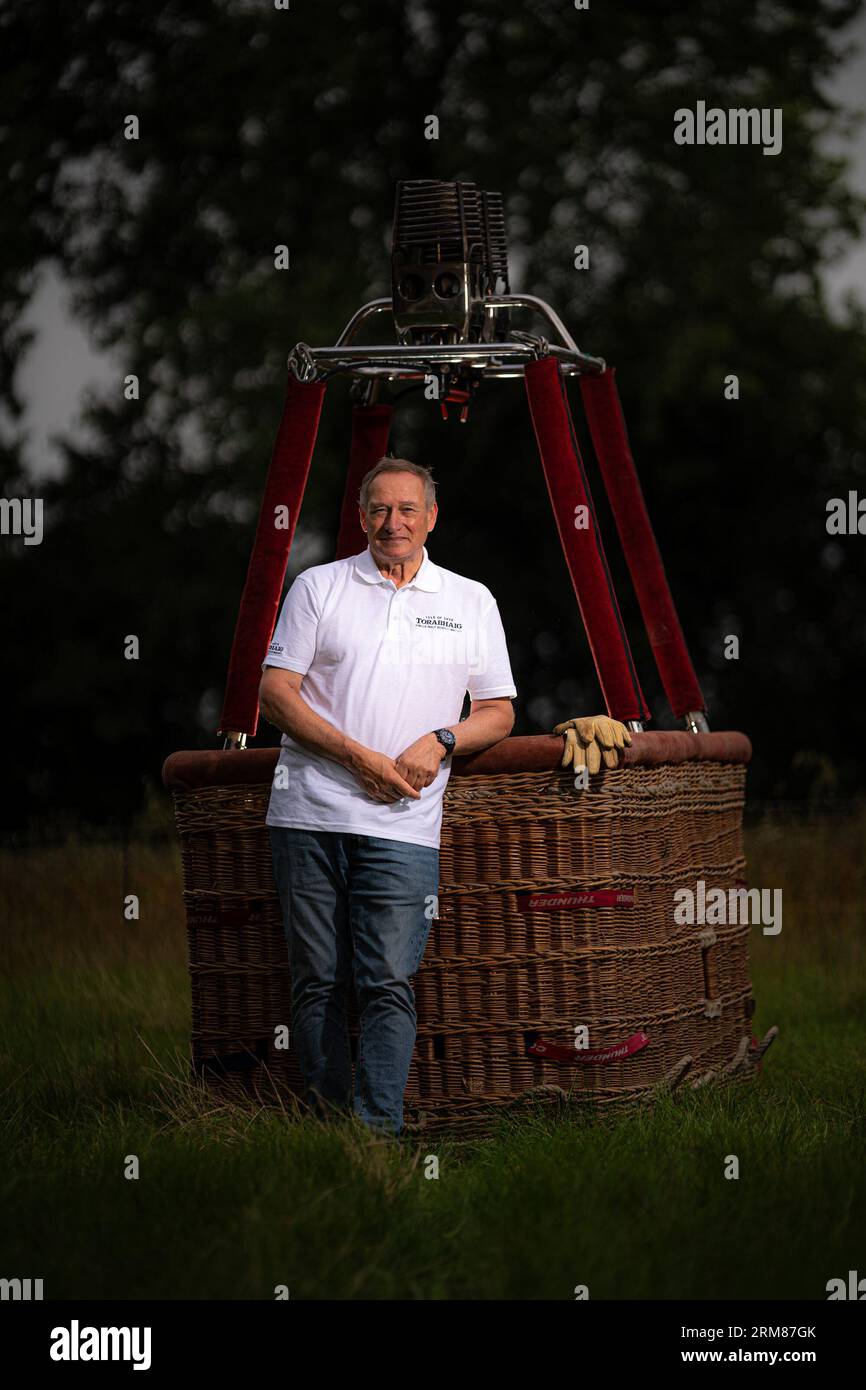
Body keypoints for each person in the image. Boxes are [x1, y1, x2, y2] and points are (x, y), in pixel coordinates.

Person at [259, 456, 516, 1137]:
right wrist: (355, 756)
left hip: (403, 827)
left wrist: (442, 739)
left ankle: (376, 1136)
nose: (392, 522)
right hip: (307, 816)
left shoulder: (470, 601)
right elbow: (275, 694)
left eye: (407, 509)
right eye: (379, 508)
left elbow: (498, 710)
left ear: (432, 517)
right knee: (316, 981)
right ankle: (326, 1130)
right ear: (361, 515)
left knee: (386, 984)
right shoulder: (320, 587)